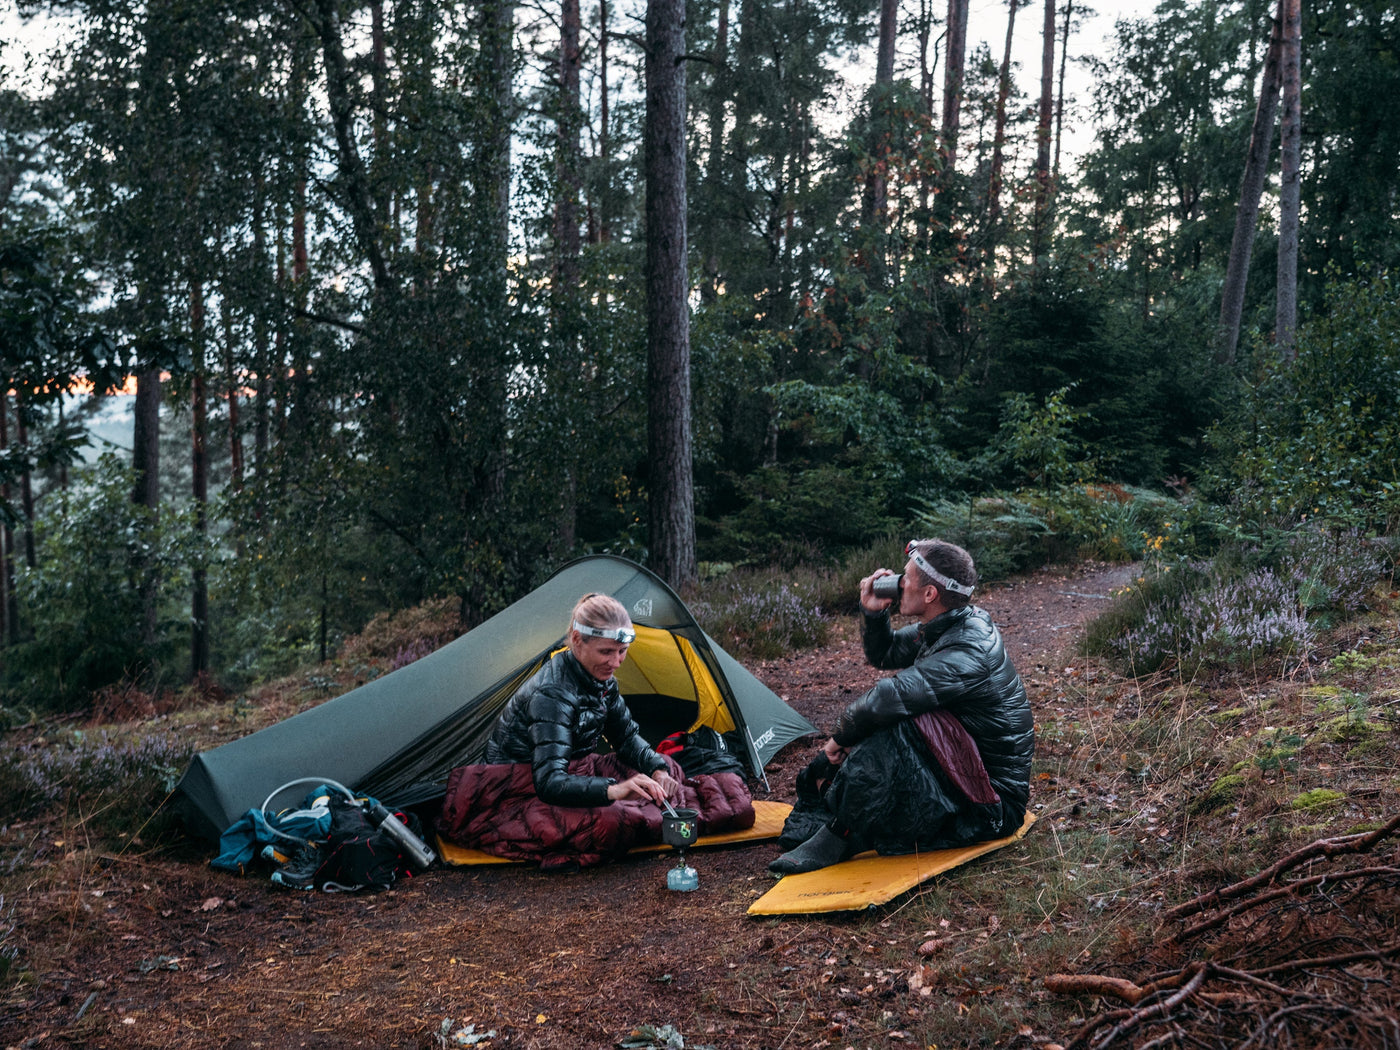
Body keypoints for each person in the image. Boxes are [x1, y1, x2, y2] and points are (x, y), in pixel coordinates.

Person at [769, 538, 1033, 875]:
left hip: (990, 807)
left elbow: (885, 699)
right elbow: (886, 653)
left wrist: (838, 740)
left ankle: (843, 831)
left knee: (897, 723)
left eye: (905, 577)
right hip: (963, 772)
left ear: (929, 594)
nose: (897, 583)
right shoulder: (950, 624)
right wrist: (875, 614)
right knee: (897, 716)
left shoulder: (968, 650)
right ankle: (844, 813)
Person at [483, 592, 679, 807]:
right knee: (619, 815)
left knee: (669, 769)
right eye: (606, 651)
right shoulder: (551, 694)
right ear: (577, 640)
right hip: (515, 783)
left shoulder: (603, 682)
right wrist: (614, 791)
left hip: (572, 769)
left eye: (622, 651)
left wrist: (657, 770)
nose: (616, 662)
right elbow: (549, 782)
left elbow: (625, 738)